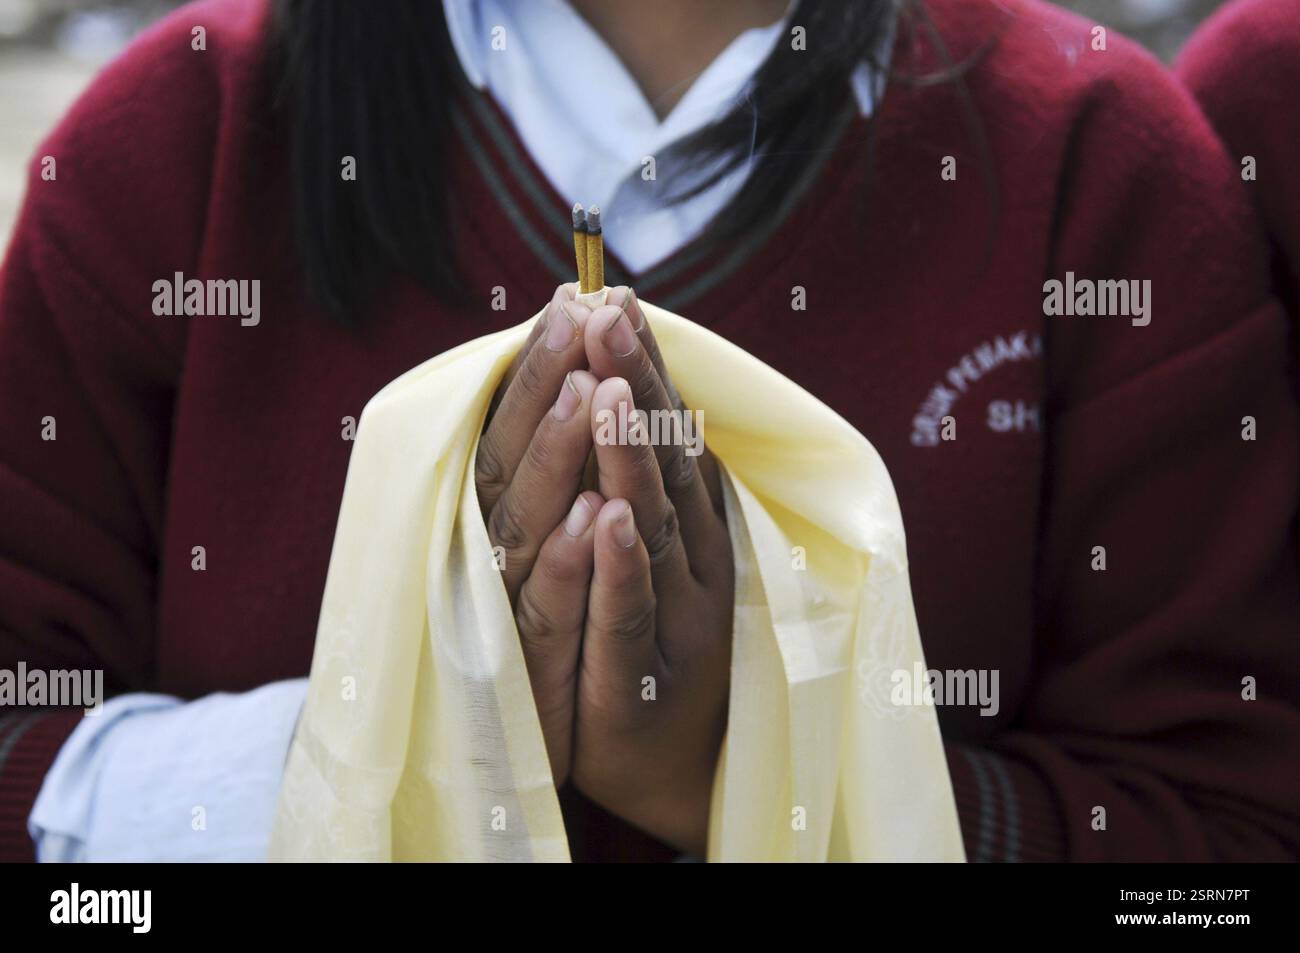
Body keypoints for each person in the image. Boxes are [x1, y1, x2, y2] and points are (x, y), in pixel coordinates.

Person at [1, 0, 1297, 862]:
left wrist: (752, 767)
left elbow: (1223, 829)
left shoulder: (1099, 168)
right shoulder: (179, 147)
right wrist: (378, 740)